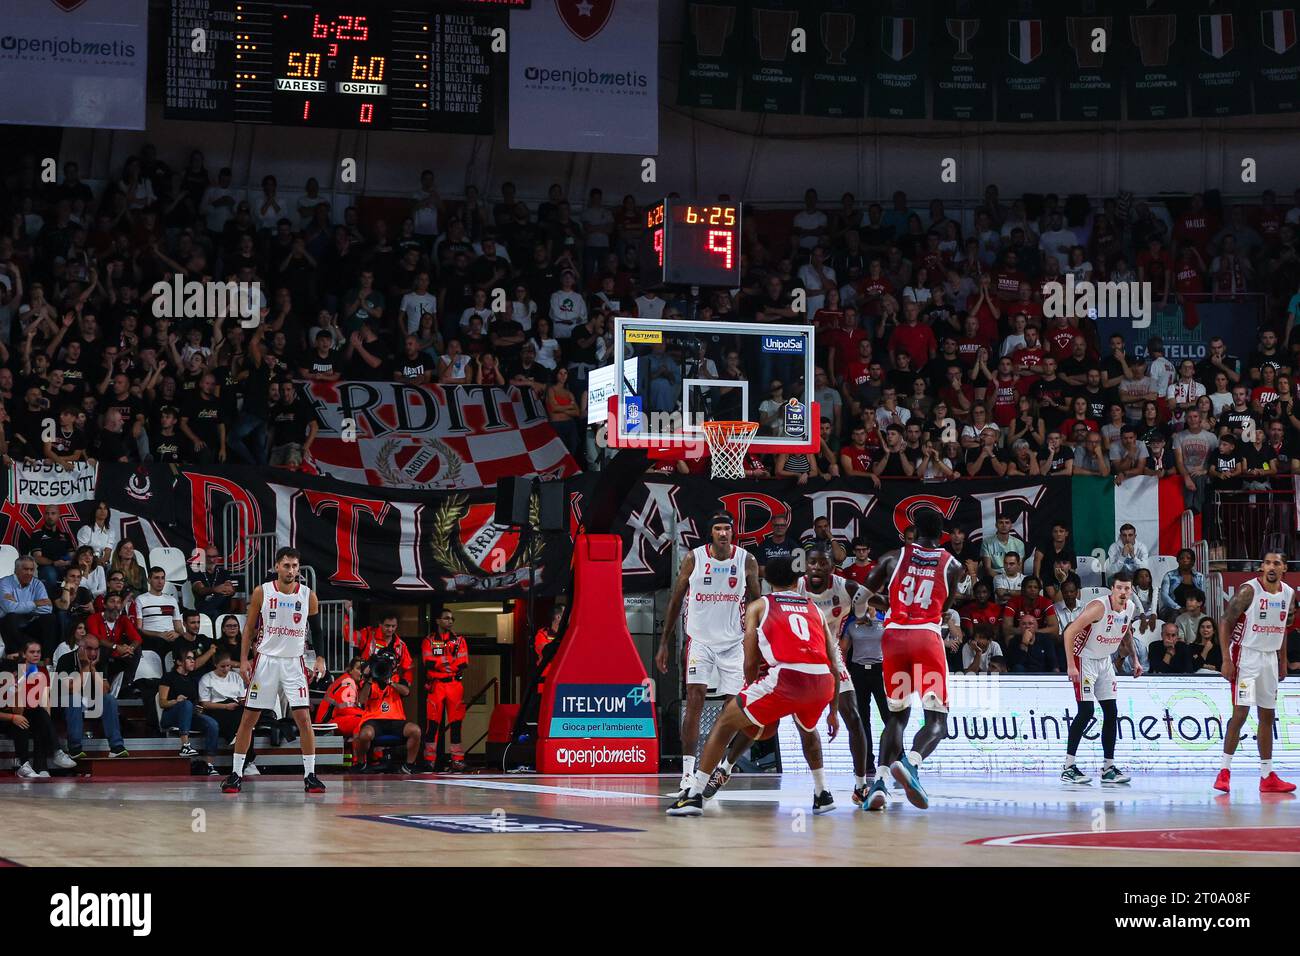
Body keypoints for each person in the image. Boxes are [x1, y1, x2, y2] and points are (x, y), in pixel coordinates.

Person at [667, 556, 840, 817]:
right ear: (798, 581)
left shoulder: (760, 605)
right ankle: (822, 793)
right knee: (808, 730)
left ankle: (694, 794)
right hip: (822, 680)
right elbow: (834, 663)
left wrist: (750, 686)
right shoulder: (814, 608)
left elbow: (749, 656)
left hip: (787, 677)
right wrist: (833, 710)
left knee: (726, 720)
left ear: (767, 581)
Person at [861, 507, 963, 811]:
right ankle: (911, 762)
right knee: (937, 720)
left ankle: (878, 781)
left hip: (892, 639)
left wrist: (881, 604)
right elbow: (945, 604)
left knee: (896, 717)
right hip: (925, 637)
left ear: (914, 531)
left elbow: (867, 592)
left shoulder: (893, 557)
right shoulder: (953, 564)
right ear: (941, 533)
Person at [655, 511, 760, 798]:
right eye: (718, 528)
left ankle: (719, 767)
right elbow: (676, 600)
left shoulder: (746, 560)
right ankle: (687, 773)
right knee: (695, 700)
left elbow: (757, 605)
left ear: (733, 532)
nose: (723, 533)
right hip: (699, 641)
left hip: (733, 644)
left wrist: (758, 644)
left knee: (734, 709)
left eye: (727, 528)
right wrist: (665, 643)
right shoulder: (695, 558)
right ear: (710, 533)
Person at [223, 547, 325, 794]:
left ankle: (310, 775)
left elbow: (317, 630)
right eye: (287, 565)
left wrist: (320, 658)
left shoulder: (308, 595)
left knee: (303, 719)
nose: (291, 570)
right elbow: (248, 628)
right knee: (249, 719)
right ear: (277, 567)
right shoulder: (263, 591)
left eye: (295, 566)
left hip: (294, 662)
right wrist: (245, 659)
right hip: (266, 661)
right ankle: (236, 773)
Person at [1214, 551, 1295, 793]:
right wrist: (1226, 659)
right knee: (1240, 713)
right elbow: (1225, 621)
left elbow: (1283, 628)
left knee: (1267, 716)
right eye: (1267, 563)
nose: (1271, 566)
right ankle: (1224, 771)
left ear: (1284, 569)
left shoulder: (1288, 594)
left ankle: (1267, 775)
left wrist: (1283, 659)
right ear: (1261, 567)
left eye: (1276, 563)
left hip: (1269, 660)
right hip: (1246, 658)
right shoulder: (1249, 590)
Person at [1060, 570, 1143, 786]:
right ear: (1112, 589)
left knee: (1111, 711)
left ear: (1131, 589)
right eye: (1119, 588)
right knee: (1086, 711)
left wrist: (1134, 659)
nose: (1123, 592)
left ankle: (1108, 768)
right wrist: (1070, 665)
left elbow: (1126, 632)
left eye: (1127, 588)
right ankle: (1068, 767)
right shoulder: (1099, 607)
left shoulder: (1130, 607)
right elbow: (1069, 632)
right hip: (1084, 659)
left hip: (1104, 660)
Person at [1, 640, 77, 777]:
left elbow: (45, 699)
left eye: (38, 652)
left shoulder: (42, 672)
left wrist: (47, 722)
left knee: (41, 717)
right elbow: (14, 708)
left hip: (33, 712)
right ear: (24, 654)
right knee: (28, 718)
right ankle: (25, 764)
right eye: (32, 652)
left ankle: (45, 763)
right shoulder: (13, 673)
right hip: (12, 712)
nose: (36, 655)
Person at [56, 635, 130, 760]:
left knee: (109, 700)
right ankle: (74, 748)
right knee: (74, 699)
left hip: (90, 702)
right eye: (89, 649)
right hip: (66, 702)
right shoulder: (66, 660)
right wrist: (85, 668)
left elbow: (105, 690)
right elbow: (70, 689)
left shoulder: (99, 661)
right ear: (80, 648)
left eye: (96, 649)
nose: (93, 653)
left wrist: (93, 669)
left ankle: (116, 747)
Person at [354, 648, 424, 773]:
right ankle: (360, 764)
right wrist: (369, 679)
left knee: (415, 730)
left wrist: (390, 682)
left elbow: (406, 692)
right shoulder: (369, 680)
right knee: (365, 734)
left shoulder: (398, 679)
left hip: (396, 721)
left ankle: (409, 765)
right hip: (374, 720)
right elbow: (362, 700)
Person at [197, 650, 259, 776]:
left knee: (246, 715)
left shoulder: (235, 677)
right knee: (242, 722)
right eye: (222, 666)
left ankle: (243, 753)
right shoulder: (206, 679)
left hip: (235, 706)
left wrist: (241, 702)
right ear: (215, 665)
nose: (226, 669)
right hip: (216, 709)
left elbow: (241, 697)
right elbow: (205, 704)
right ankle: (248, 760)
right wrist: (225, 706)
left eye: (228, 666)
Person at [422, 608, 469, 772]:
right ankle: (429, 760)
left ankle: (457, 759)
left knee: (456, 724)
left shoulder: (460, 640)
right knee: (432, 725)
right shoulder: (428, 641)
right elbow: (428, 662)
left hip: (455, 685)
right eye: (446, 618)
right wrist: (450, 663)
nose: (450, 621)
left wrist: (442, 664)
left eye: (452, 619)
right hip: (436, 686)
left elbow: (463, 663)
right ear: (438, 621)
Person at [158, 649, 220, 771]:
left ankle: (209, 765)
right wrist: (176, 701)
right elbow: (162, 702)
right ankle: (185, 745)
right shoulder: (169, 677)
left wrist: (197, 709)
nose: (193, 661)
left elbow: (193, 703)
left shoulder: (193, 680)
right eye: (189, 658)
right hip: (171, 716)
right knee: (185, 704)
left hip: (188, 716)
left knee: (212, 724)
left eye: (193, 658)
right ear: (179, 662)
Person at [0, 557, 56, 659]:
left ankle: (47, 659)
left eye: (31, 570)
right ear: (16, 570)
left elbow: (47, 608)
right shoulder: (4, 583)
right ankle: (16, 657)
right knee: (11, 617)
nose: (29, 573)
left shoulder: (37, 584)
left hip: (30, 622)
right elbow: (9, 608)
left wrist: (18, 604)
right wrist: (35, 603)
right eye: (26, 569)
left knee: (50, 618)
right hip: (11, 624)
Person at [315, 655, 366, 743]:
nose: (361, 672)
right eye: (359, 669)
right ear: (350, 670)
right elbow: (344, 709)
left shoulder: (350, 681)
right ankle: (356, 754)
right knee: (363, 721)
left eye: (363, 670)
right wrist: (367, 714)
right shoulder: (347, 682)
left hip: (332, 722)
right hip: (326, 725)